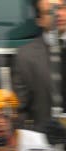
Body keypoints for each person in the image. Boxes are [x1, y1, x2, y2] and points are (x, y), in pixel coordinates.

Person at [13, 0, 66, 134]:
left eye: (61, 8)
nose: (58, 14)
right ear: (39, 21)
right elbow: (19, 109)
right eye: (50, 12)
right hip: (47, 143)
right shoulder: (26, 56)